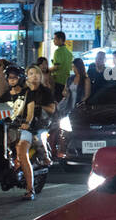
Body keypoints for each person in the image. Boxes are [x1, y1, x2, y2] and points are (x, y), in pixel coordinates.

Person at [10, 66, 56, 199]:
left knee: (39, 137)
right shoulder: (23, 91)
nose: (34, 76)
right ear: (26, 76)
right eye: (31, 74)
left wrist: (38, 107)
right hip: (22, 125)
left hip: (40, 123)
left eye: (37, 74)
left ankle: (45, 157)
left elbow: (52, 109)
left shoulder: (45, 91)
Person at [51, 31, 74, 102]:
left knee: (57, 102)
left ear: (60, 40)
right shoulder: (69, 53)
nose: (53, 41)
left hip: (58, 80)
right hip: (66, 81)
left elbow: (56, 67)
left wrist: (46, 70)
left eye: (55, 39)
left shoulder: (57, 51)